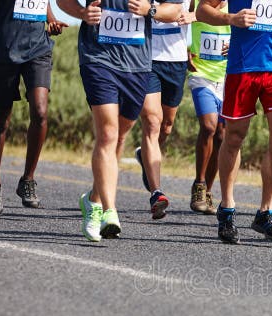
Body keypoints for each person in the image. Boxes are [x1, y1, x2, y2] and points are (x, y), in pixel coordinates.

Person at [57, 0, 183, 242]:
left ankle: (93, 198)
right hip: (98, 58)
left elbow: (175, 9)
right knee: (108, 134)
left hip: (137, 66)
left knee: (119, 136)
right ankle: (107, 211)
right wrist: (82, 13)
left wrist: (150, 10)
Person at [196, 0, 272, 244]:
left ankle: (266, 212)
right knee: (234, 137)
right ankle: (227, 209)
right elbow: (202, 10)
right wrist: (231, 19)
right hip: (243, 67)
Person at [0, 0, 67, 217]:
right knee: (0, 120)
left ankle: (28, 179)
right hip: (4, 49)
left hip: (38, 47)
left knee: (40, 112)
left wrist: (51, 20)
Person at [134, 1, 195, 219]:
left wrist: (194, 16)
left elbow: (210, 8)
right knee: (152, 121)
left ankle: (145, 156)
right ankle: (156, 193)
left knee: (166, 127)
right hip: (146, 57)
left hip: (176, 61)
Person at [186, 0, 231, 215]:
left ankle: (208, 191)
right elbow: (178, 20)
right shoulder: (196, 2)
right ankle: (199, 184)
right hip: (201, 75)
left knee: (221, 135)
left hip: (227, 77)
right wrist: (183, 49)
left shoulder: (237, 4)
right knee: (209, 126)